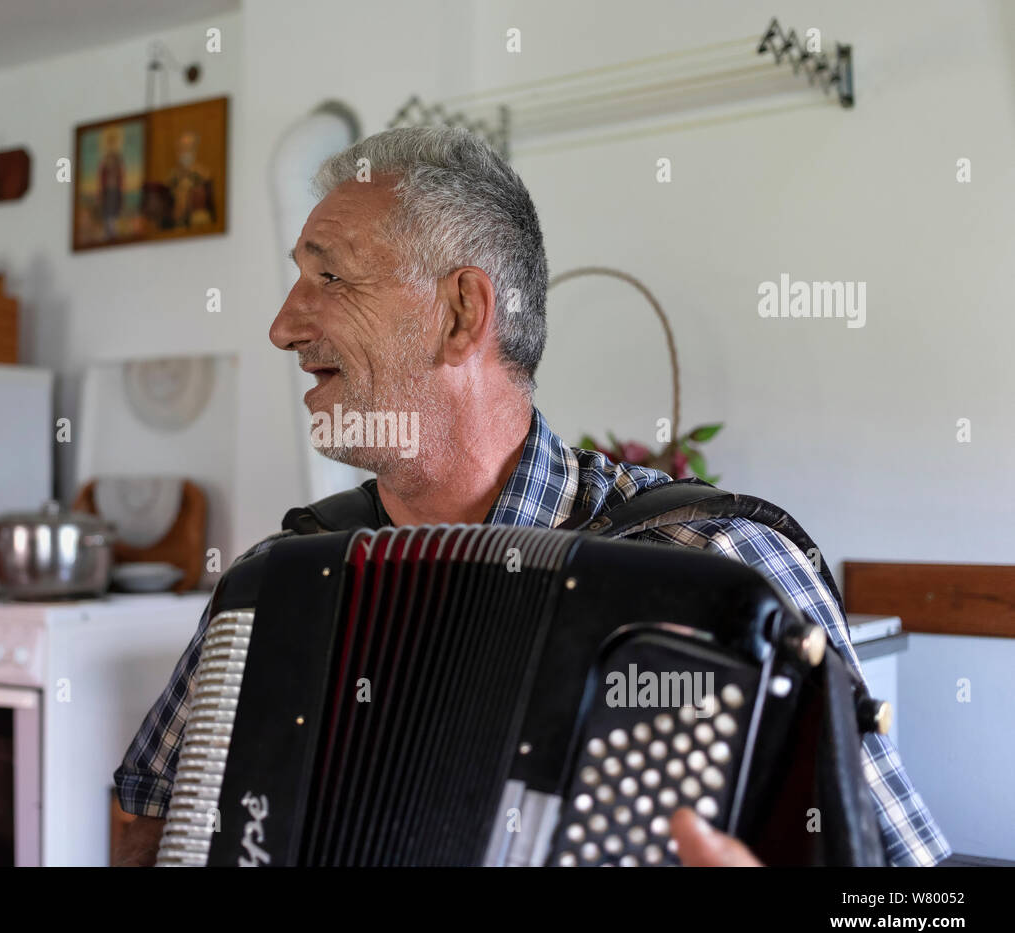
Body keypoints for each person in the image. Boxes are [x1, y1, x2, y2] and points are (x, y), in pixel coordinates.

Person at [113, 127, 950, 868]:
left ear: (460, 314)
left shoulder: (718, 566)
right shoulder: (278, 586)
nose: (285, 325)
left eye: (329, 277)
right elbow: (146, 805)